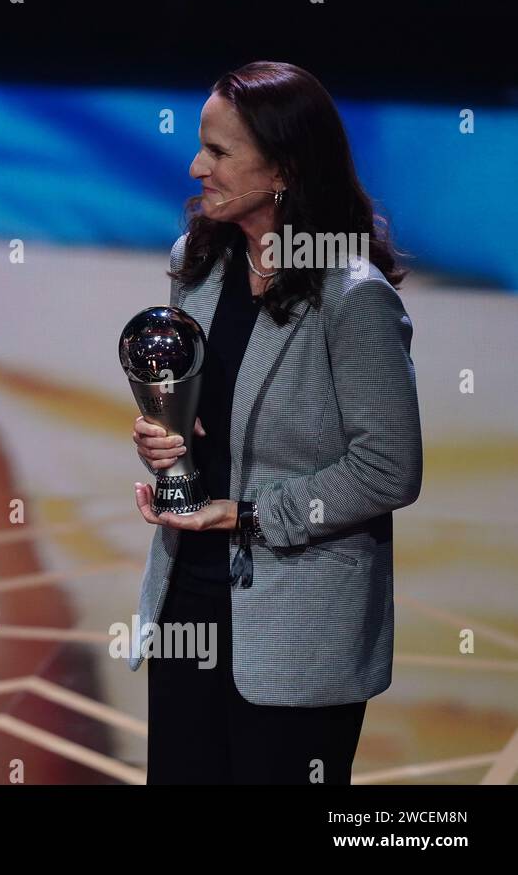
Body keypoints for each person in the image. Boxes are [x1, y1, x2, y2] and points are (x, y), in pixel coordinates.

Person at [128, 61, 422, 784]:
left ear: (284, 167)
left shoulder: (353, 298)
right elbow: (199, 425)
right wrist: (162, 447)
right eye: (202, 145)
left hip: (299, 627)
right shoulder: (193, 264)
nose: (196, 165)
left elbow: (389, 466)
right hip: (186, 599)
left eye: (220, 152)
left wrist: (248, 514)